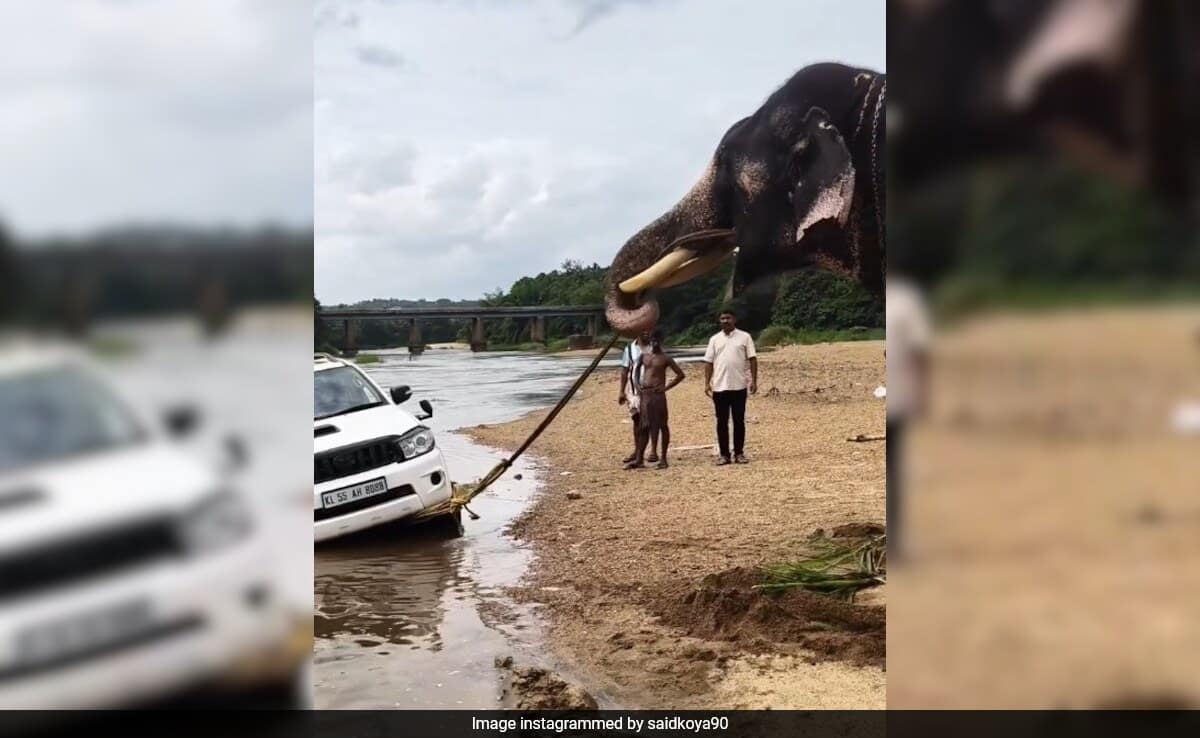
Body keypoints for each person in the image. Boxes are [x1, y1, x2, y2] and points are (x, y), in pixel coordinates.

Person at [885, 275, 932, 562]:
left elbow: (921, 352)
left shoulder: (905, 300)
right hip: (889, 398)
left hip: (901, 399)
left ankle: (898, 540)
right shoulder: (889, 300)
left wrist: (924, 393)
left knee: (897, 470)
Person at [703, 309, 758, 465]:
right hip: (719, 387)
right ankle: (724, 455)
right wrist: (707, 383)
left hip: (739, 386)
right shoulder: (714, 339)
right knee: (721, 422)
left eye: (728, 318)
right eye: (722, 318)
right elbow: (708, 362)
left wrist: (754, 381)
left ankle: (739, 453)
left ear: (734, 319)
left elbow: (753, 359)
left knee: (739, 421)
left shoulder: (745, 337)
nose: (725, 321)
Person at [626, 330, 684, 470]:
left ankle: (663, 459)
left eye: (657, 341)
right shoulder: (644, 356)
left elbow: (680, 375)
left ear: (661, 342)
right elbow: (635, 370)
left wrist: (666, 388)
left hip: (658, 395)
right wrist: (637, 384)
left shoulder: (665, 358)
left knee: (662, 425)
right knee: (643, 425)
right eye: (653, 340)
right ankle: (639, 459)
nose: (654, 343)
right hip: (645, 394)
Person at [618, 331, 656, 464]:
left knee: (648, 422)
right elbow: (625, 370)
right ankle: (637, 450)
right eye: (642, 330)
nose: (646, 333)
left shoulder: (654, 347)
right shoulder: (629, 349)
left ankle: (650, 451)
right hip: (633, 392)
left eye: (648, 330)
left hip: (650, 391)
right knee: (636, 420)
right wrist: (621, 391)